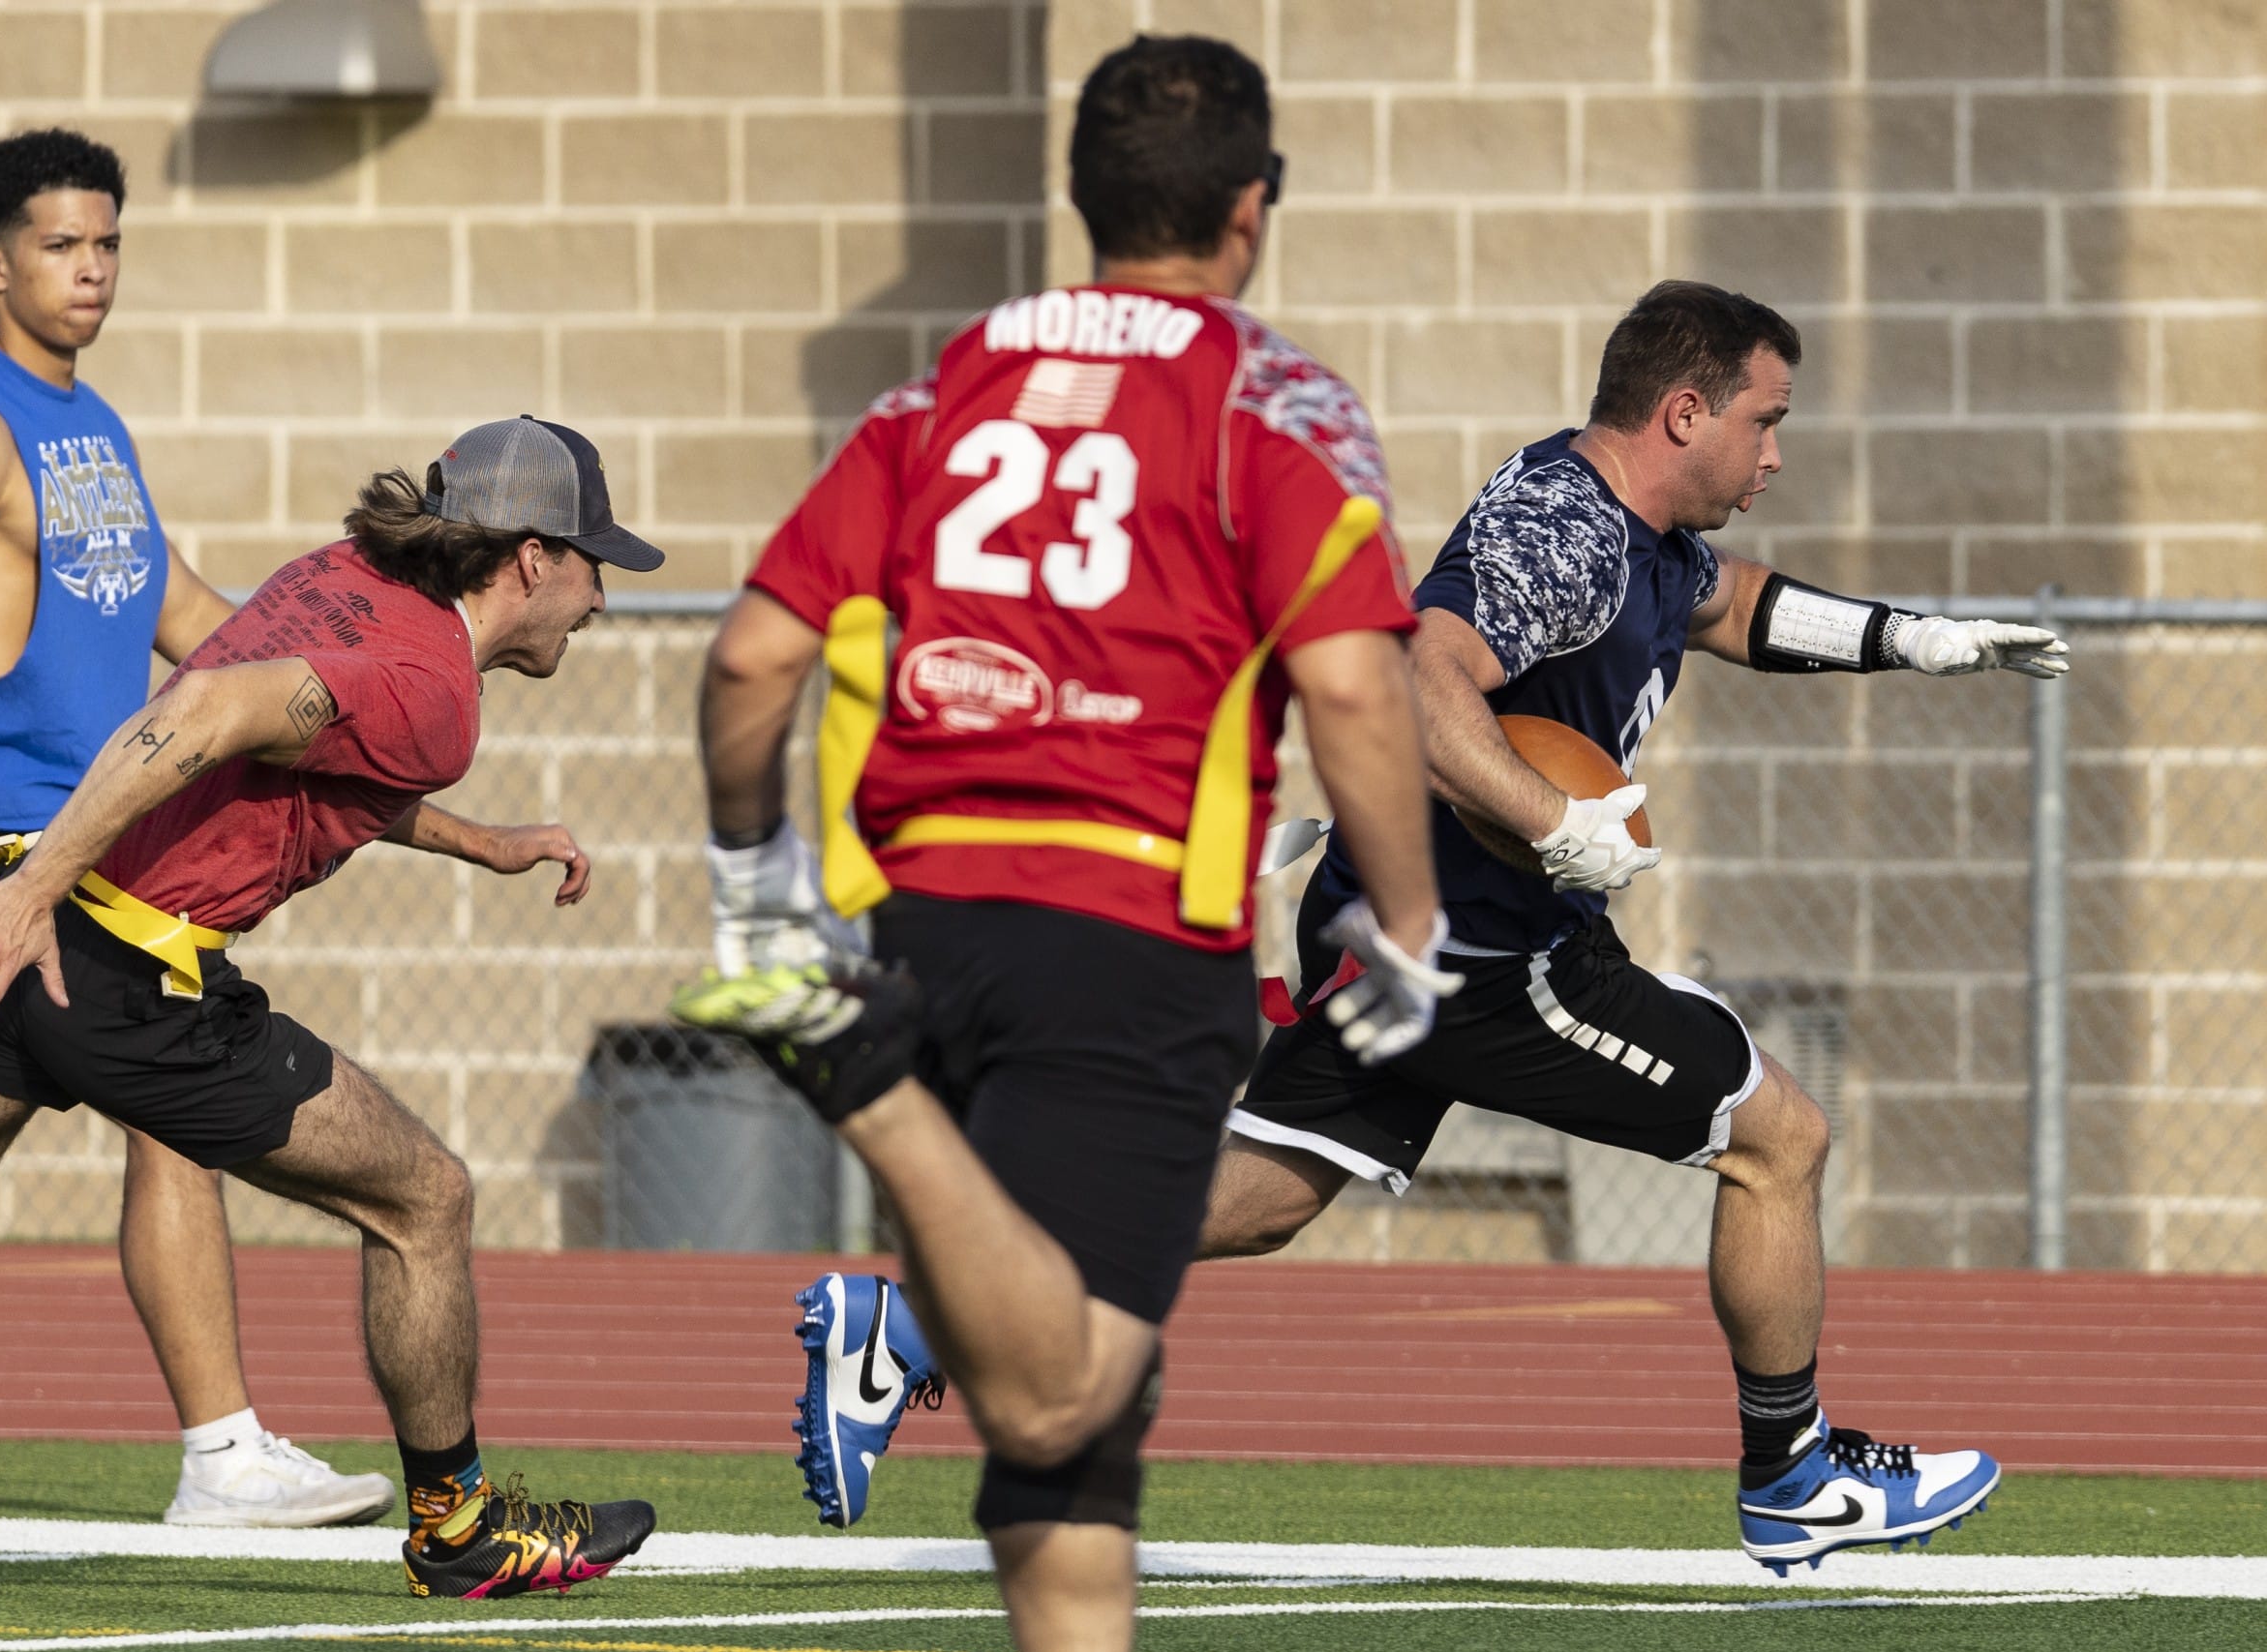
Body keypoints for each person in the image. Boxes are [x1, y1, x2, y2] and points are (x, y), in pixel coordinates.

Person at [833, 283, 2063, 1576]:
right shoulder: (1568, 527)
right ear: (1684, 410)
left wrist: (1917, 641)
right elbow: (1419, 670)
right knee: (1779, 1137)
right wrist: (1552, 821)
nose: (1775, 454)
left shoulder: (1641, 532)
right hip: (1484, 950)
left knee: (1258, 1199)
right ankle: (1792, 1470)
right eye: (1764, 421)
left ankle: (908, 1322)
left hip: (1396, 918)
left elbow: (1729, 604)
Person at [673, 34, 1455, 1652]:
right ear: (1255, 208)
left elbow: (750, 659)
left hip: (921, 907)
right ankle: (859, 1082)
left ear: (1078, 198)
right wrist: (1403, 918)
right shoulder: (1272, 396)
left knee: (1095, 1397)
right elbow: (1349, 679)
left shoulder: (936, 387)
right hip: (1128, 913)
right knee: (1058, 1380)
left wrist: (751, 876)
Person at [0, 416, 666, 1601]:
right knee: (425, 1196)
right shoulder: (439, 692)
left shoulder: (343, 573)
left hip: (23, 915)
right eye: (590, 563)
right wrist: (37, 898)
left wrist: (485, 843)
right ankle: (458, 1529)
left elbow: (317, 743)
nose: (599, 597)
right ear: (527, 557)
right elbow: (203, 719)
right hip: (109, 963)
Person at [0, 128, 392, 1526]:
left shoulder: (92, 424)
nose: (92, 270)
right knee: (135, 1111)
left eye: (108, 242)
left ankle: (225, 1453)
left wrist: (343, 688)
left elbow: (185, 620)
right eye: (63, 246)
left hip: (87, 849)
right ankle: (224, 1452)